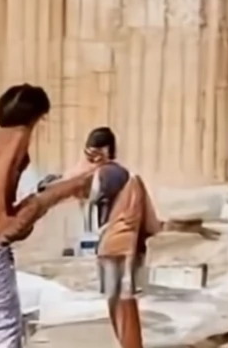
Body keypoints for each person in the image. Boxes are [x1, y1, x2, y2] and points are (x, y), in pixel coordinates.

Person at [0, 85, 99, 348]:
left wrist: (59, 188)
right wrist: (63, 191)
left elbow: (4, 215)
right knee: (3, 336)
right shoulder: (15, 144)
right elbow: (0, 229)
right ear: (38, 118)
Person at [82, 127, 160, 348]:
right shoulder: (127, 175)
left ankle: (124, 342)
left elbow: (92, 200)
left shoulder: (103, 174)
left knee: (114, 297)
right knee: (127, 296)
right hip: (132, 243)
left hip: (112, 242)